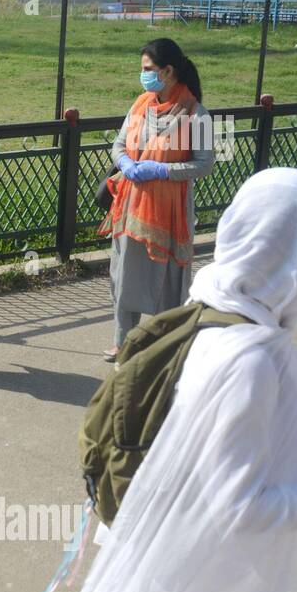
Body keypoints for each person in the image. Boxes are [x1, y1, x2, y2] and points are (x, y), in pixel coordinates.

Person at [51, 169, 297, 592]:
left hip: (168, 566)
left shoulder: (210, 306)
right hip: (195, 590)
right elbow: (241, 510)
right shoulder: (247, 360)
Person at [100, 38, 214, 362]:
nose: (144, 76)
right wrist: (125, 163)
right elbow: (119, 145)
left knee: (168, 282)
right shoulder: (141, 105)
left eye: (148, 70)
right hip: (131, 207)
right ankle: (123, 343)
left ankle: (167, 344)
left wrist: (161, 170)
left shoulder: (196, 113)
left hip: (169, 214)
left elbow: (205, 164)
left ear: (168, 71)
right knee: (124, 277)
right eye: (142, 70)